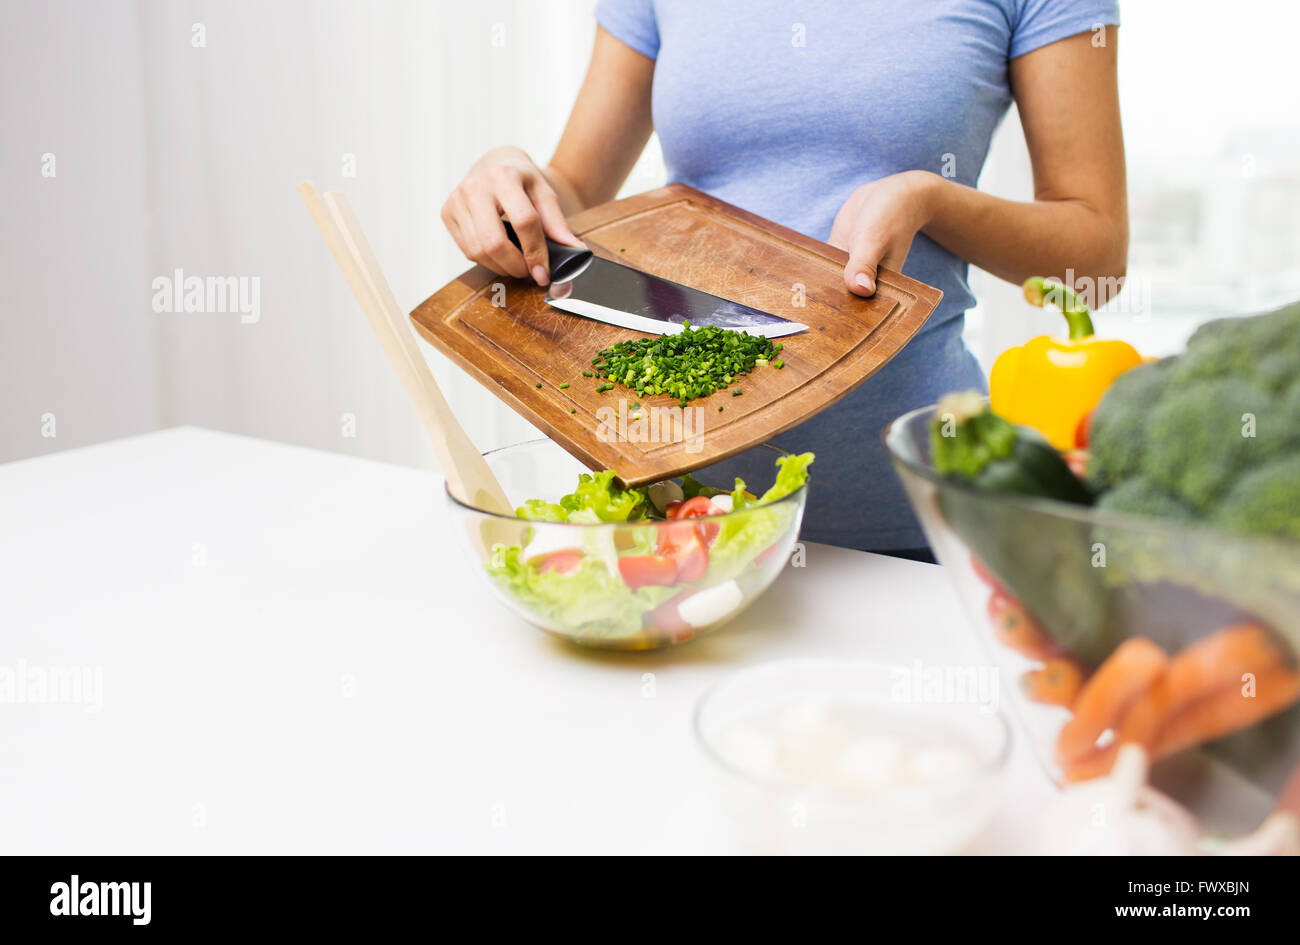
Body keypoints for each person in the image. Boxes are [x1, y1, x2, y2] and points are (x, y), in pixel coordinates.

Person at [441, 0, 1127, 558]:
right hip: (680, 526)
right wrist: (514, 180)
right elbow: (577, 189)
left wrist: (934, 201)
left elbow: (1095, 258)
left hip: (919, 531)